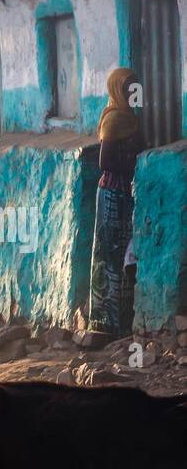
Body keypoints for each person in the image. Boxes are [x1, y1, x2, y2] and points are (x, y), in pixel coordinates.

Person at [89, 67, 144, 336]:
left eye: (135, 88)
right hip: (112, 195)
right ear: (118, 90)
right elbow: (105, 162)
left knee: (124, 253)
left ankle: (122, 321)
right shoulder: (113, 120)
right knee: (111, 255)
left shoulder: (131, 118)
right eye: (128, 89)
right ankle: (108, 322)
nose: (133, 93)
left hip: (125, 194)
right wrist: (132, 163)